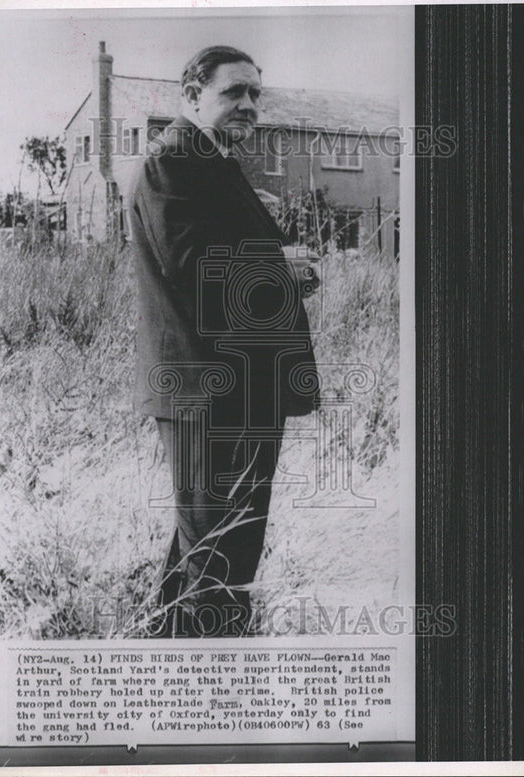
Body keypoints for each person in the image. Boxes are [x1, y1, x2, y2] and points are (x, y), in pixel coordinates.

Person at [129, 45, 319, 637]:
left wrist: (285, 267)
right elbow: (193, 268)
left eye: (256, 95)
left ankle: (165, 659)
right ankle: (210, 687)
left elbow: (226, 255)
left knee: (215, 542)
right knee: (219, 552)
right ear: (190, 95)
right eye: (233, 92)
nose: (248, 105)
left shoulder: (211, 161)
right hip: (206, 392)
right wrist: (281, 269)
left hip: (240, 387)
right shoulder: (173, 161)